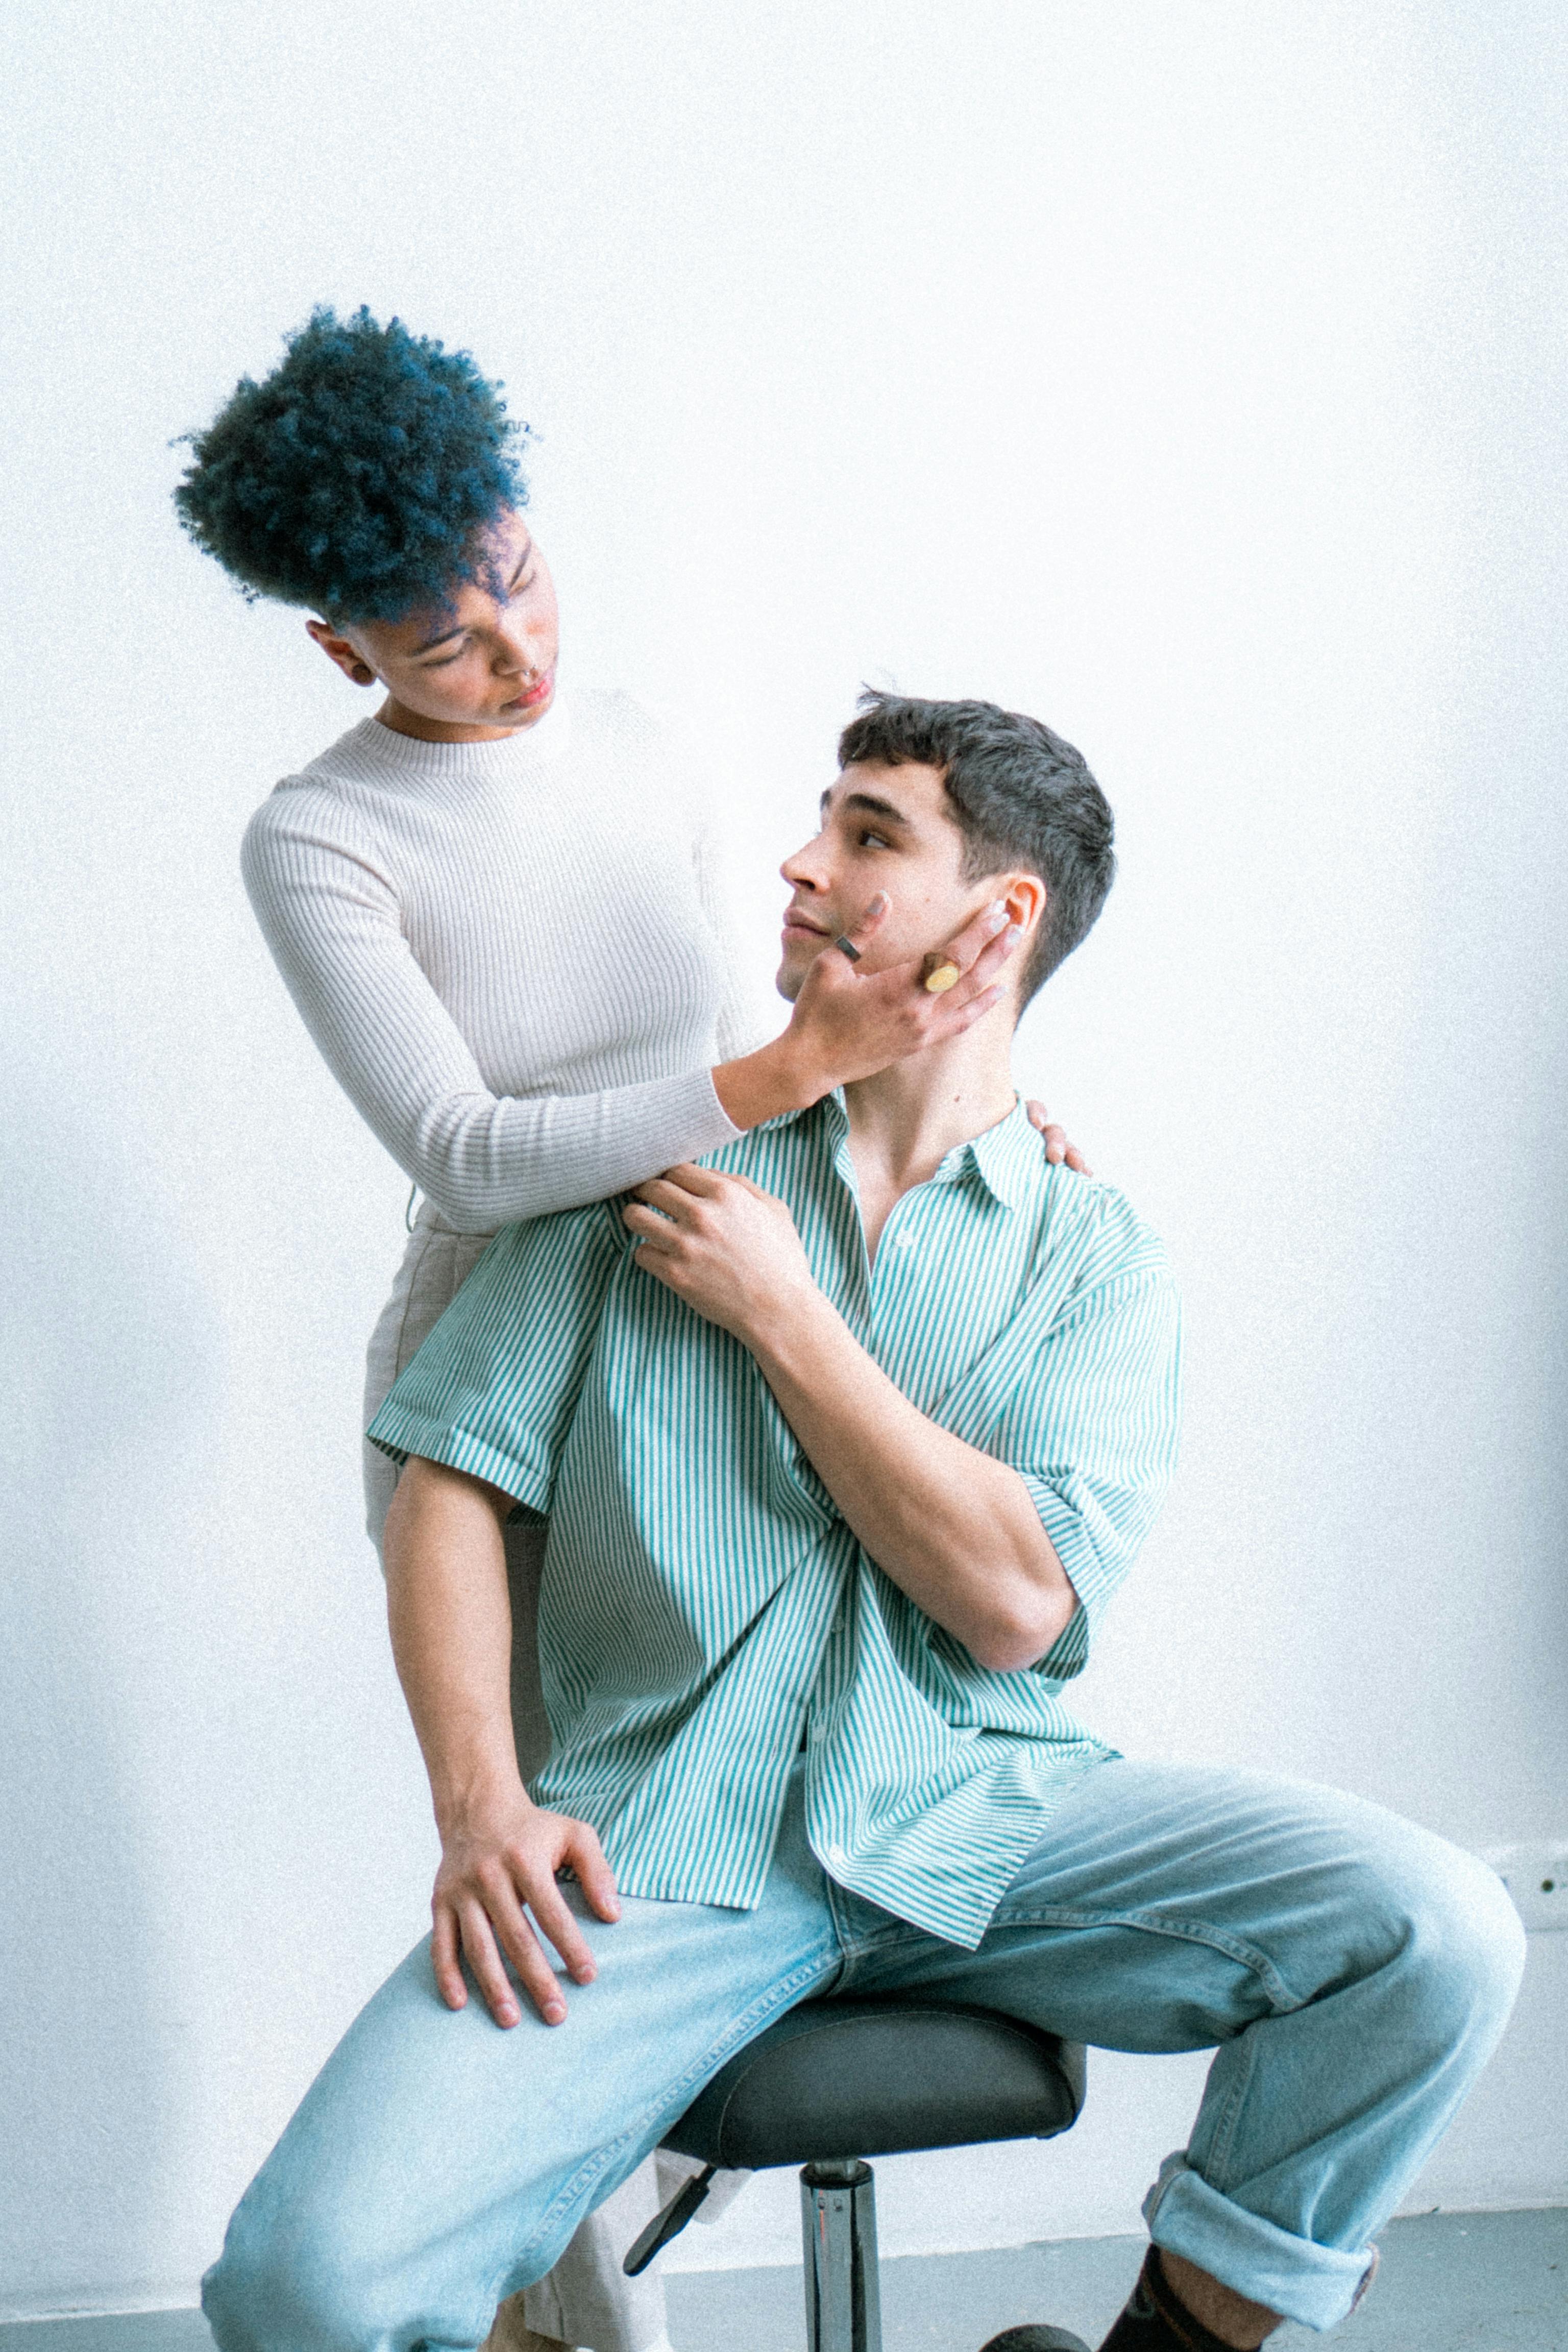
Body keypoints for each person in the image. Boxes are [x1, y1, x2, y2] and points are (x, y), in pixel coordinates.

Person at [200, 692, 1525, 2352]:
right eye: (823, 819)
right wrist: (481, 1807)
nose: (799, 862)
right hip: (667, 1850)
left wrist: (789, 1320)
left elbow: (1016, 1608)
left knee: (1436, 1930)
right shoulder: (653, 1169)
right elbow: (453, 1482)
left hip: (985, 1818)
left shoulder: (1092, 1257)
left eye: (868, 834)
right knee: (300, 2283)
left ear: (1003, 918)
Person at [174, 306, 1087, 2352]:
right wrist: (786, 1081)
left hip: (717, 1275)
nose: (514, 655)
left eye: (515, 579)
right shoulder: (318, 837)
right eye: (441, 648)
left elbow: (802, 1022)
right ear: (343, 654)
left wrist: (970, 1107)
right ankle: (556, 2309)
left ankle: (543, 2262)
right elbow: (471, 1147)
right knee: (539, 1851)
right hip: (500, 1332)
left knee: (720, 1781)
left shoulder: (651, 741)